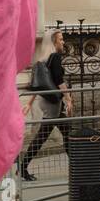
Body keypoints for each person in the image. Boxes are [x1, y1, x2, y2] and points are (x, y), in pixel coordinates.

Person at [20, 28, 72, 181]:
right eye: (61, 39)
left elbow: (39, 84)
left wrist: (29, 103)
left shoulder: (43, 59)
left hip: (48, 102)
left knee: (67, 131)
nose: (63, 42)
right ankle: (22, 165)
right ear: (54, 42)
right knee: (44, 136)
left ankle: (76, 165)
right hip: (53, 103)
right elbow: (59, 81)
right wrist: (68, 99)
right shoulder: (54, 57)